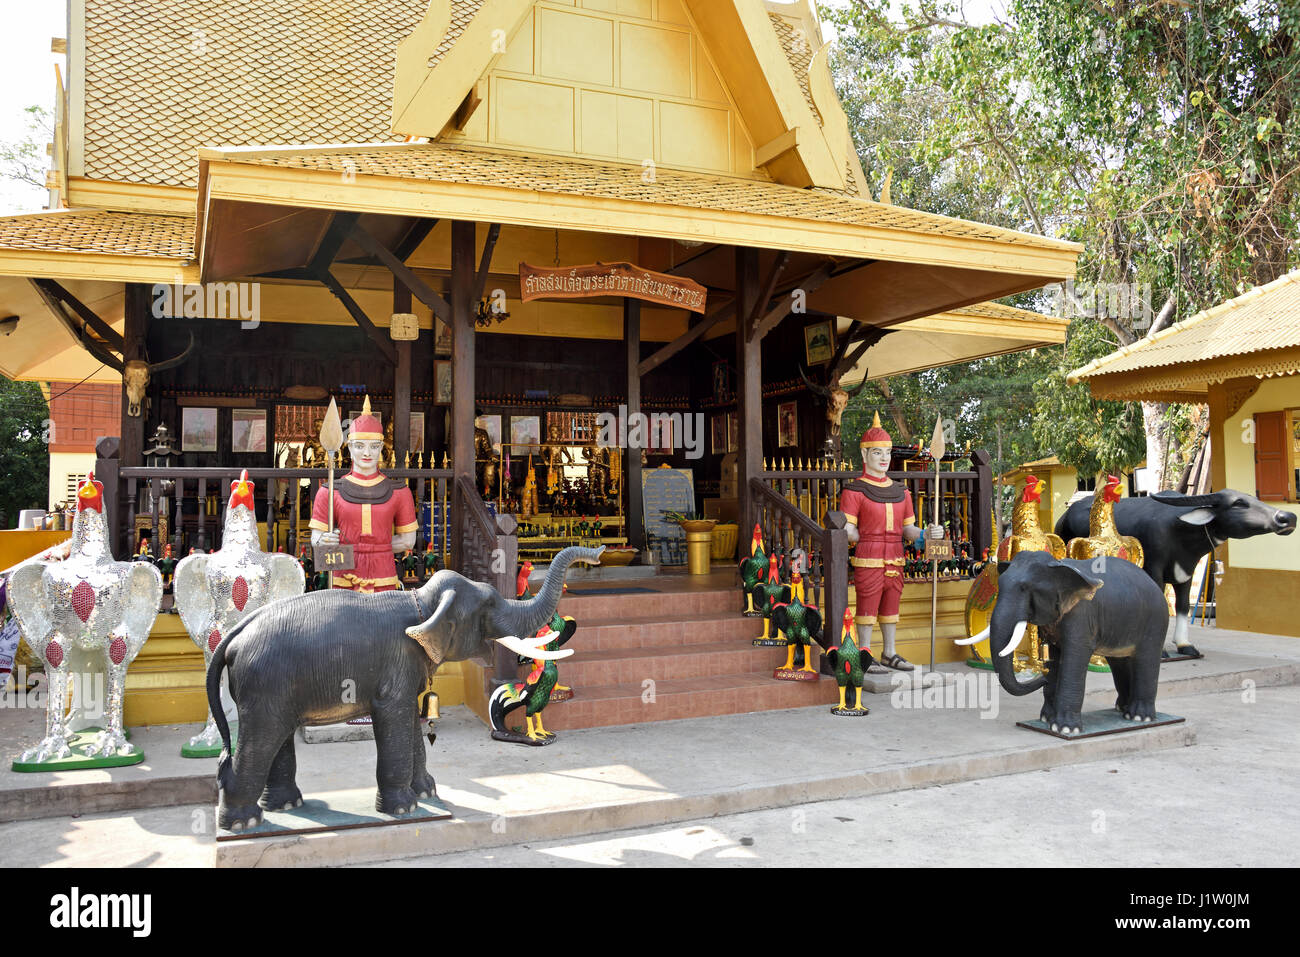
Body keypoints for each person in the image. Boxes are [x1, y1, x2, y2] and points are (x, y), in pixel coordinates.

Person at [838, 412, 924, 671]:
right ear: (864, 456)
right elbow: (848, 528)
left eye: (886, 453)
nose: (884, 458)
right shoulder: (854, 490)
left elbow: (909, 530)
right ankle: (864, 652)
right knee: (867, 605)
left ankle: (890, 652)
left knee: (891, 606)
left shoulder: (902, 491)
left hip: (896, 555)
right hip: (869, 554)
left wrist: (926, 535)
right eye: (877, 453)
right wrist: (849, 532)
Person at [309, 398, 417, 592]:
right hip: (343, 577)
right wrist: (325, 540)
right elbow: (316, 539)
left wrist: (367, 548)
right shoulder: (330, 490)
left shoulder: (400, 492)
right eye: (359, 446)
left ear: (382, 448)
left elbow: (409, 541)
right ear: (349, 448)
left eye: (374, 446)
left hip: (384, 577)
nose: (367, 453)